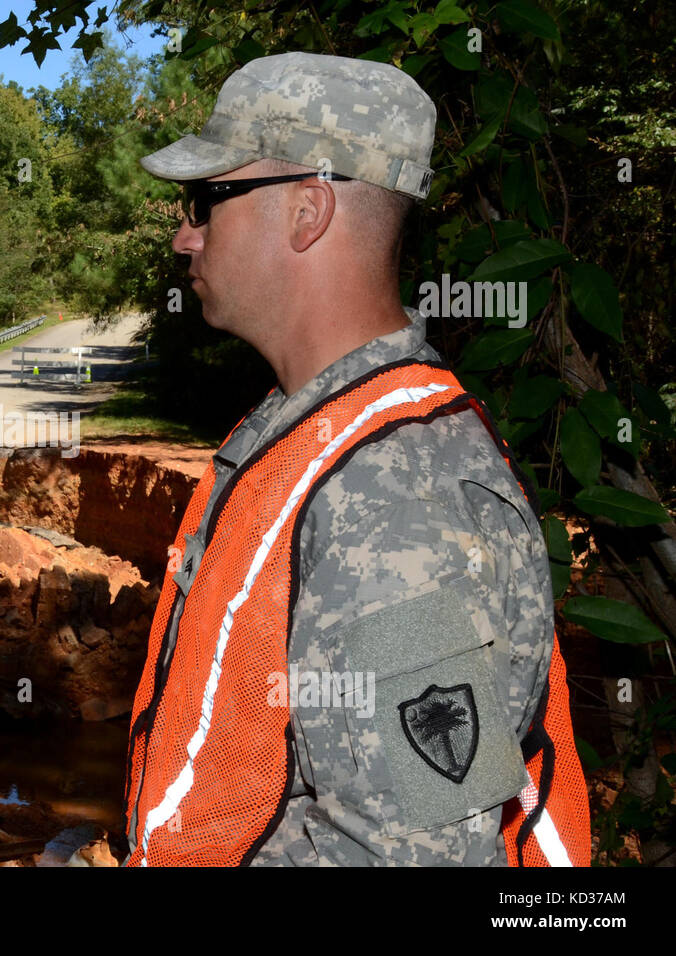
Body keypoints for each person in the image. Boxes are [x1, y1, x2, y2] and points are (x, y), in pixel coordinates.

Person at [123, 51, 590, 866]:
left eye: (206, 200)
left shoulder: (398, 502)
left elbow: (419, 854)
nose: (183, 234)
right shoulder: (310, 427)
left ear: (308, 211)